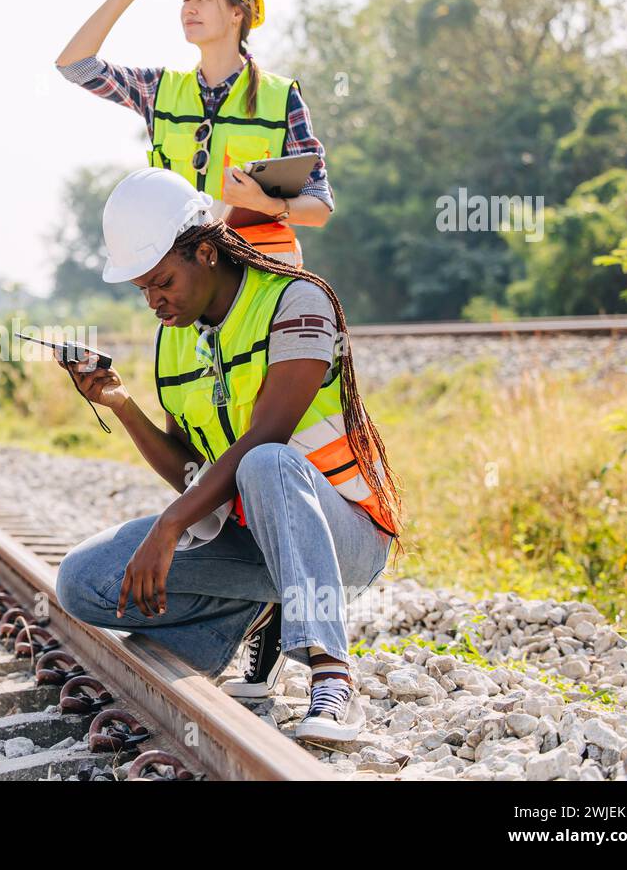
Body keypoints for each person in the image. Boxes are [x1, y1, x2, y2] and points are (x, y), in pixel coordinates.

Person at [53, 168, 403, 742]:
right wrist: (122, 405)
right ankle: (238, 625)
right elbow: (192, 472)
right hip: (253, 541)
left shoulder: (297, 301)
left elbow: (267, 436)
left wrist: (170, 527)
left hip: (347, 539)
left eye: (162, 281)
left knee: (266, 462)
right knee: (82, 581)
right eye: (143, 289)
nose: (154, 301)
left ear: (207, 253)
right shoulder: (176, 337)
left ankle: (332, 675)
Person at [55, 0, 333, 268]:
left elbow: (319, 206)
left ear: (237, 12)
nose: (189, 9)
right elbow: (74, 65)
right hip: (183, 289)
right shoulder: (159, 90)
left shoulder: (282, 98)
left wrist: (267, 204)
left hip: (259, 285)